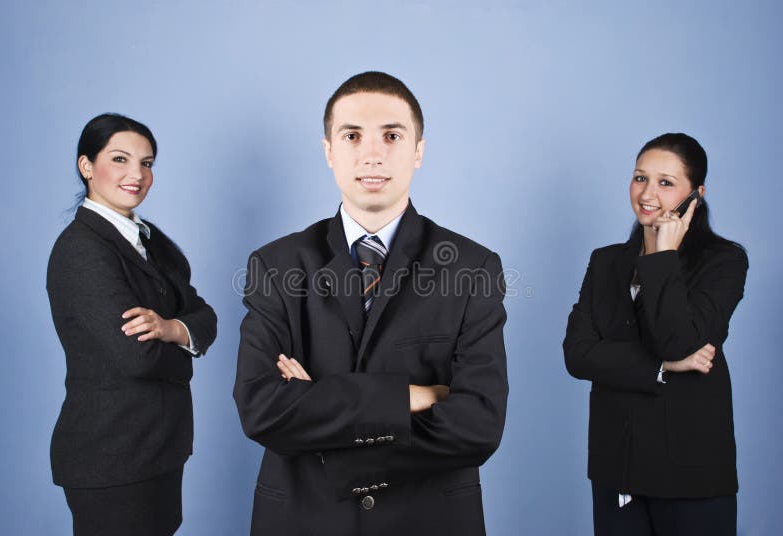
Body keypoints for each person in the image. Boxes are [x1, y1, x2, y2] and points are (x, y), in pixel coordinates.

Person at [234, 71, 508, 535]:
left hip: (427, 521)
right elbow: (261, 408)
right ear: (329, 151)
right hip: (304, 519)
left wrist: (319, 406)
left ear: (418, 150)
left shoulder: (473, 267)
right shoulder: (275, 266)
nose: (373, 154)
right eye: (353, 135)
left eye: (392, 135)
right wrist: (413, 397)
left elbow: (478, 425)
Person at [563, 133, 748, 536]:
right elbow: (577, 355)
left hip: (690, 471)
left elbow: (680, 342)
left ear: (695, 193)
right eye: (640, 177)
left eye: (666, 182)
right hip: (618, 467)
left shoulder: (723, 262)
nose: (647, 193)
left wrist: (663, 256)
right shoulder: (607, 261)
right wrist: (662, 365)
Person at [47, 113, 217, 535]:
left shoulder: (150, 240)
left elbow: (204, 316)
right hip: (111, 455)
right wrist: (186, 355)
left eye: (147, 163)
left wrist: (172, 330)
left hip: (159, 447)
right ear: (87, 166)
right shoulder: (82, 250)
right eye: (120, 159)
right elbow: (136, 358)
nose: (136, 175)